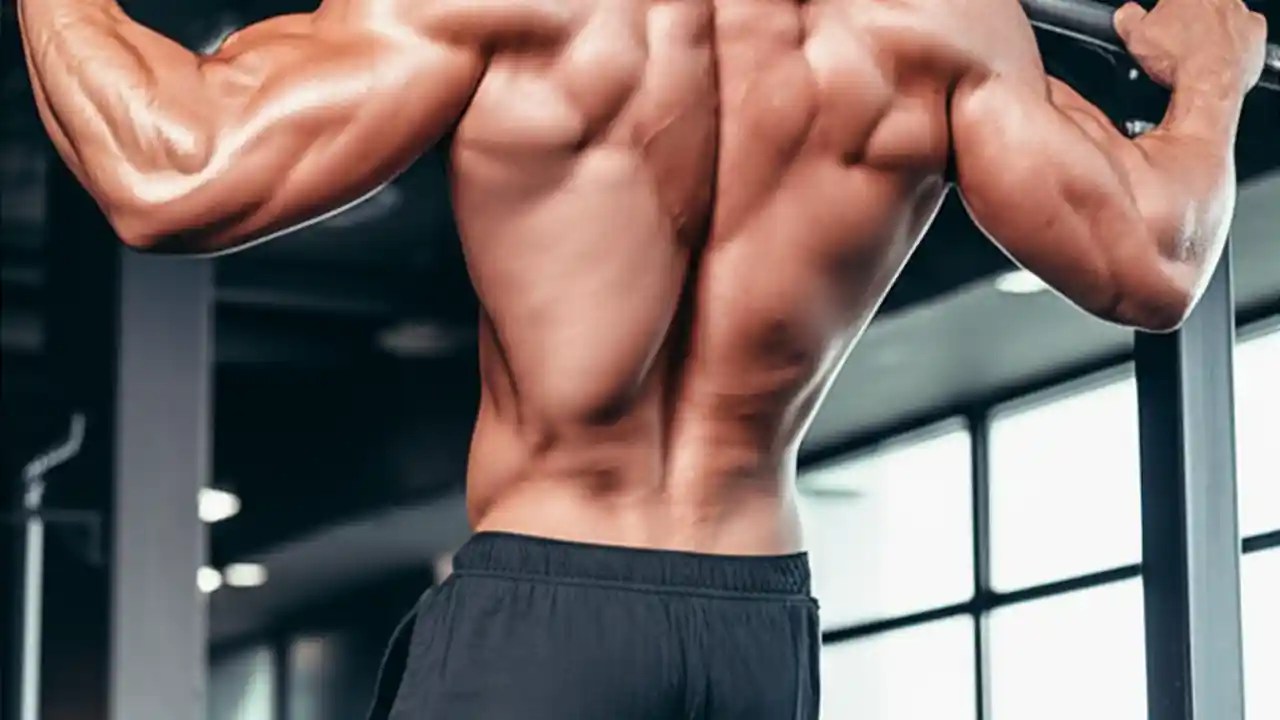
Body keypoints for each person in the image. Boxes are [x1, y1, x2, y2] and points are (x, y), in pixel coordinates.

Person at [18, 0, 1267, 716]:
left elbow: (171, 169)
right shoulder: (939, 21)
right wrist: (1211, 78)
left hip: (542, 616)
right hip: (753, 634)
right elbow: (1149, 262)